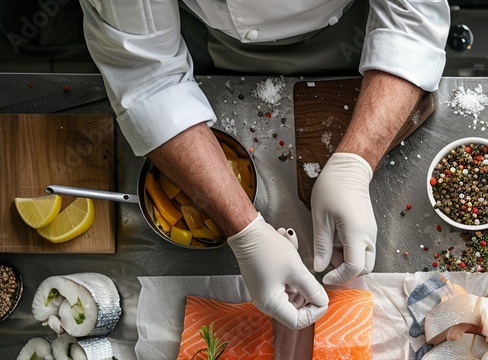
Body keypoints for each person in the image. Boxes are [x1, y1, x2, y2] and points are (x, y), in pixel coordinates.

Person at [81, 0, 449, 328]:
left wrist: (356, 162)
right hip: (211, 43)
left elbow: (413, 18)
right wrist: (247, 234)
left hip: (349, 33)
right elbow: (149, 81)